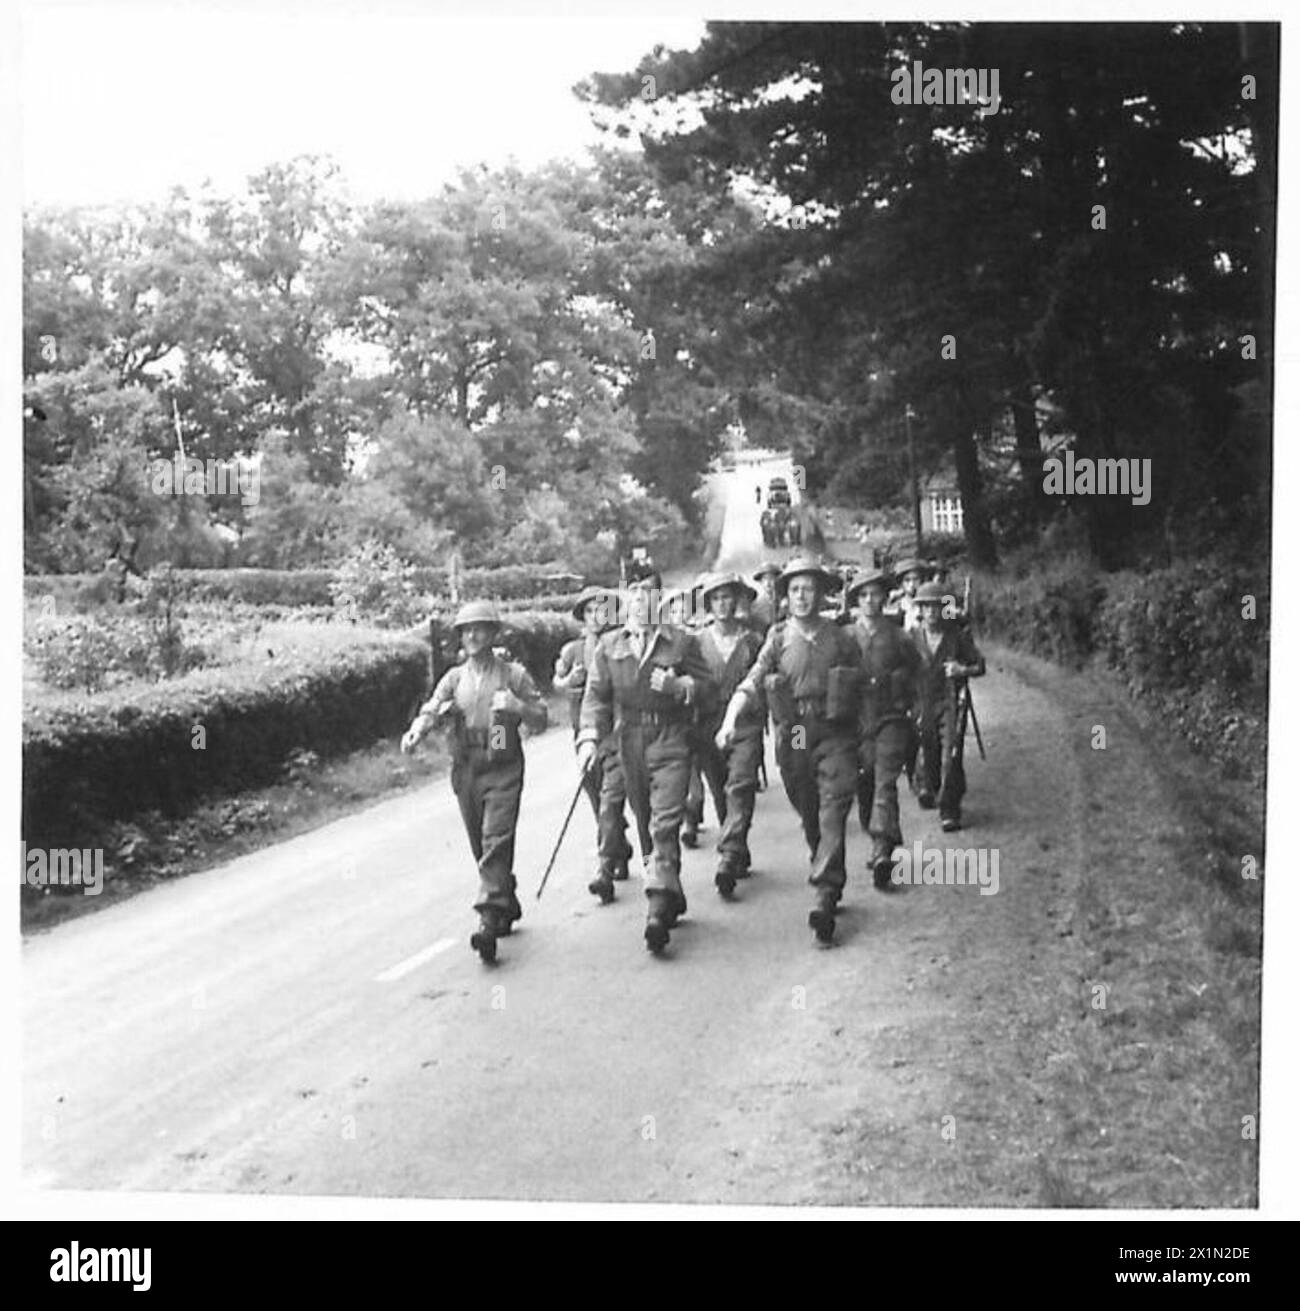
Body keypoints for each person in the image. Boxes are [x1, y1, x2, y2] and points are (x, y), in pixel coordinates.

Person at [715, 557, 864, 945]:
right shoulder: (778, 638)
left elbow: (865, 686)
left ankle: (825, 893)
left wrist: (867, 735)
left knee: (834, 805)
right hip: (796, 731)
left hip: (834, 731)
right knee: (806, 798)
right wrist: (731, 720)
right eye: (795, 589)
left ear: (822, 593)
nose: (802, 596)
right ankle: (819, 849)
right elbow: (752, 681)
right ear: (786, 596)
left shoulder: (841, 637)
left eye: (809, 588)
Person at [401, 601, 548, 963]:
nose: (472, 636)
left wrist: (518, 708)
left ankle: (486, 919)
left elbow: (541, 717)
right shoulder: (454, 678)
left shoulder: (512, 675)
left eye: (480, 629)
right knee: (480, 845)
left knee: (496, 838)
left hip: (502, 766)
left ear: (493, 634)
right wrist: (417, 730)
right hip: (467, 767)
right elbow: (432, 708)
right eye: (466, 630)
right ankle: (505, 902)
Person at [577, 574, 716, 954]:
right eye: (633, 595)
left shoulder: (681, 642)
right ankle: (670, 890)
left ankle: (656, 904)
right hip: (630, 742)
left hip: (671, 737)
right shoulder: (609, 645)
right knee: (643, 821)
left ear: (658, 601)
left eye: (647, 595)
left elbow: (708, 688)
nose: (639, 601)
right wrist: (589, 737)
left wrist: (680, 687)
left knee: (665, 822)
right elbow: (596, 698)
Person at [554, 586, 633, 904]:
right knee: (596, 800)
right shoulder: (572, 650)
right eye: (589, 611)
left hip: (617, 738)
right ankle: (620, 848)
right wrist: (567, 681)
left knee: (609, 803)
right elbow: (556, 681)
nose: (595, 617)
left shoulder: (622, 645)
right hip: (584, 740)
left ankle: (603, 869)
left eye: (602, 610)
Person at [846, 569, 923, 888]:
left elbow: (918, 674)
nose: (869, 601)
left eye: (875, 594)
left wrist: (916, 709)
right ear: (856, 601)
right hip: (856, 720)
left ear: (884, 597)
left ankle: (882, 851)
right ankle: (875, 833)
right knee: (864, 783)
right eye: (863, 595)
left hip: (891, 717)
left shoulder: (899, 637)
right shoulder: (846, 637)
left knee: (885, 781)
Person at [694, 572, 766, 898]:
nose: (722, 604)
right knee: (720, 790)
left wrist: (795, 735)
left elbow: (766, 679)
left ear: (736, 601)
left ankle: (728, 854)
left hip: (746, 723)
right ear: (709, 604)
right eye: (716, 598)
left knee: (741, 783)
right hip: (707, 725)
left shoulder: (753, 641)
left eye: (727, 597)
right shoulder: (695, 642)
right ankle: (738, 846)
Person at [912, 581, 986, 831]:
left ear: (944, 609)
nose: (931, 613)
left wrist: (961, 669)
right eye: (926, 607)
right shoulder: (911, 639)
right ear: (919, 610)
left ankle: (950, 809)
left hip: (951, 703)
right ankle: (929, 786)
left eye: (936, 607)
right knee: (929, 754)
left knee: (951, 756)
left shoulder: (957, 637)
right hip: (922, 706)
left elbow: (980, 665)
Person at [884, 557, 932, 631]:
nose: (912, 584)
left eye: (915, 579)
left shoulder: (930, 604)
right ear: (901, 583)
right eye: (907, 580)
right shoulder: (896, 606)